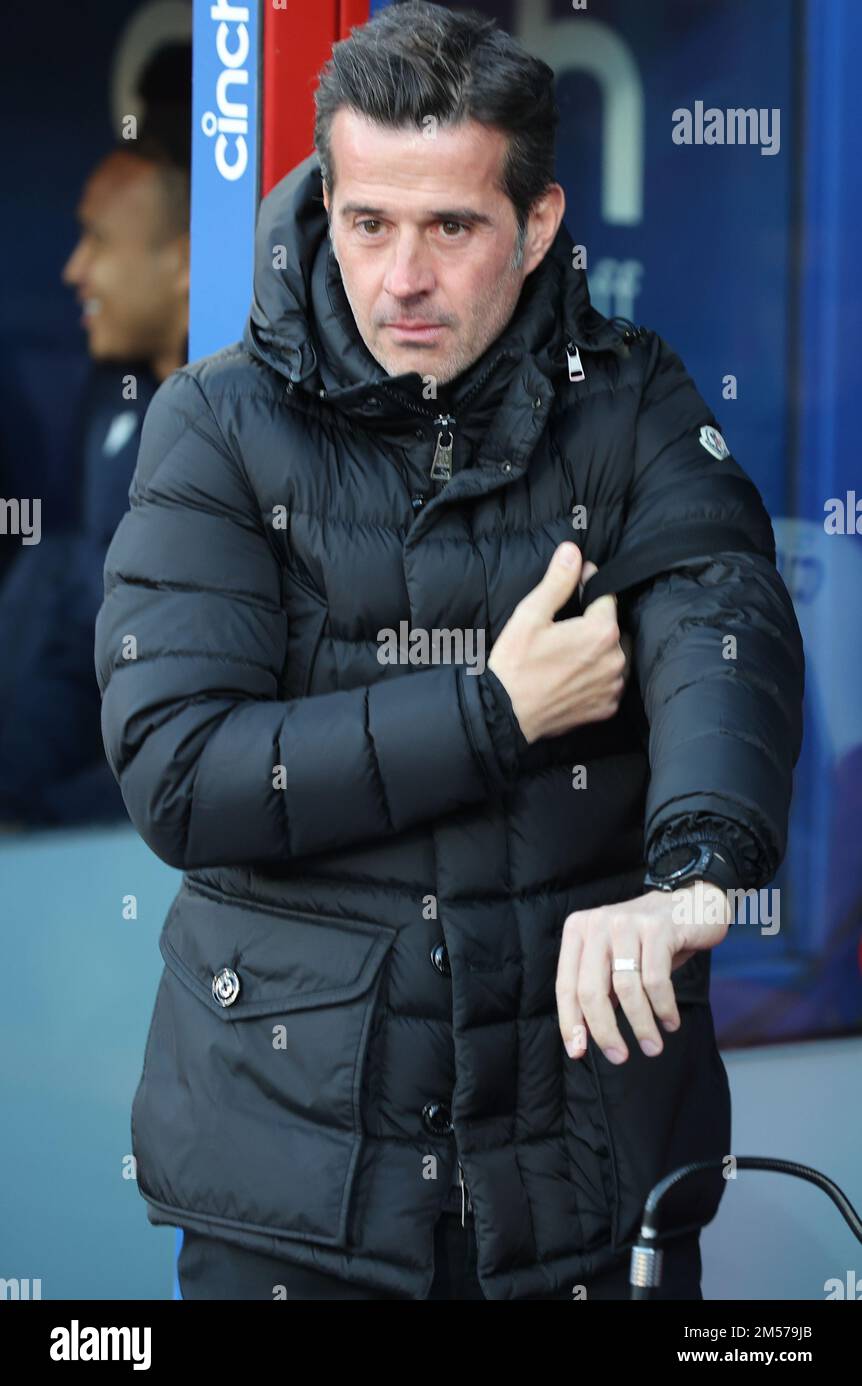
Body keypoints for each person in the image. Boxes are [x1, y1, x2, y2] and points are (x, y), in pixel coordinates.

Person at [94, 1, 804, 1299]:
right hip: (294, 1178)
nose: (400, 278)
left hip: (577, 1171)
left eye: (451, 228)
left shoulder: (632, 394)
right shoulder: (216, 424)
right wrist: (493, 709)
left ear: (535, 227)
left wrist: (698, 866)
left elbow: (718, 607)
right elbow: (182, 772)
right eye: (368, 222)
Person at [0, 130, 190, 829]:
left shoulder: (254, 413)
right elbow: (81, 622)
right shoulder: (117, 393)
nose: (75, 270)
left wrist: (45, 820)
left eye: (99, 242)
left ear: (184, 261)